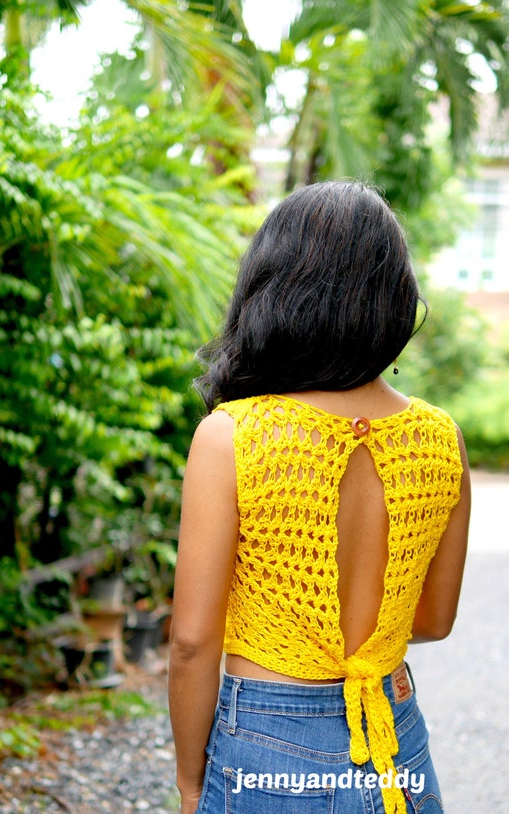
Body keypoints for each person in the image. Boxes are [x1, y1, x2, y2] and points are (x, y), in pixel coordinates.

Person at [168, 180, 471, 814]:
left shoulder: (233, 436)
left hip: (267, 744)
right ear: (392, 299)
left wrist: (192, 782)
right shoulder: (441, 439)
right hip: (395, 740)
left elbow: (192, 641)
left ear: (272, 290)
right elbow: (434, 621)